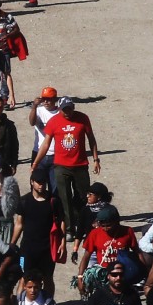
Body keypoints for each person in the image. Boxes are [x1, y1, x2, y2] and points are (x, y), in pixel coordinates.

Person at [31, 98, 100, 244]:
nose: (67, 112)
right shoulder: (54, 121)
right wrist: (36, 162)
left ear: (73, 107)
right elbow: (45, 144)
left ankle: (79, 221)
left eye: (70, 108)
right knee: (64, 197)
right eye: (64, 109)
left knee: (83, 195)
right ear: (60, 108)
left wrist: (96, 159)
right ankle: (69, 229)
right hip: (61, 165)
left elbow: (91, 139)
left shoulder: (83, 118)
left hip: (80, 164)